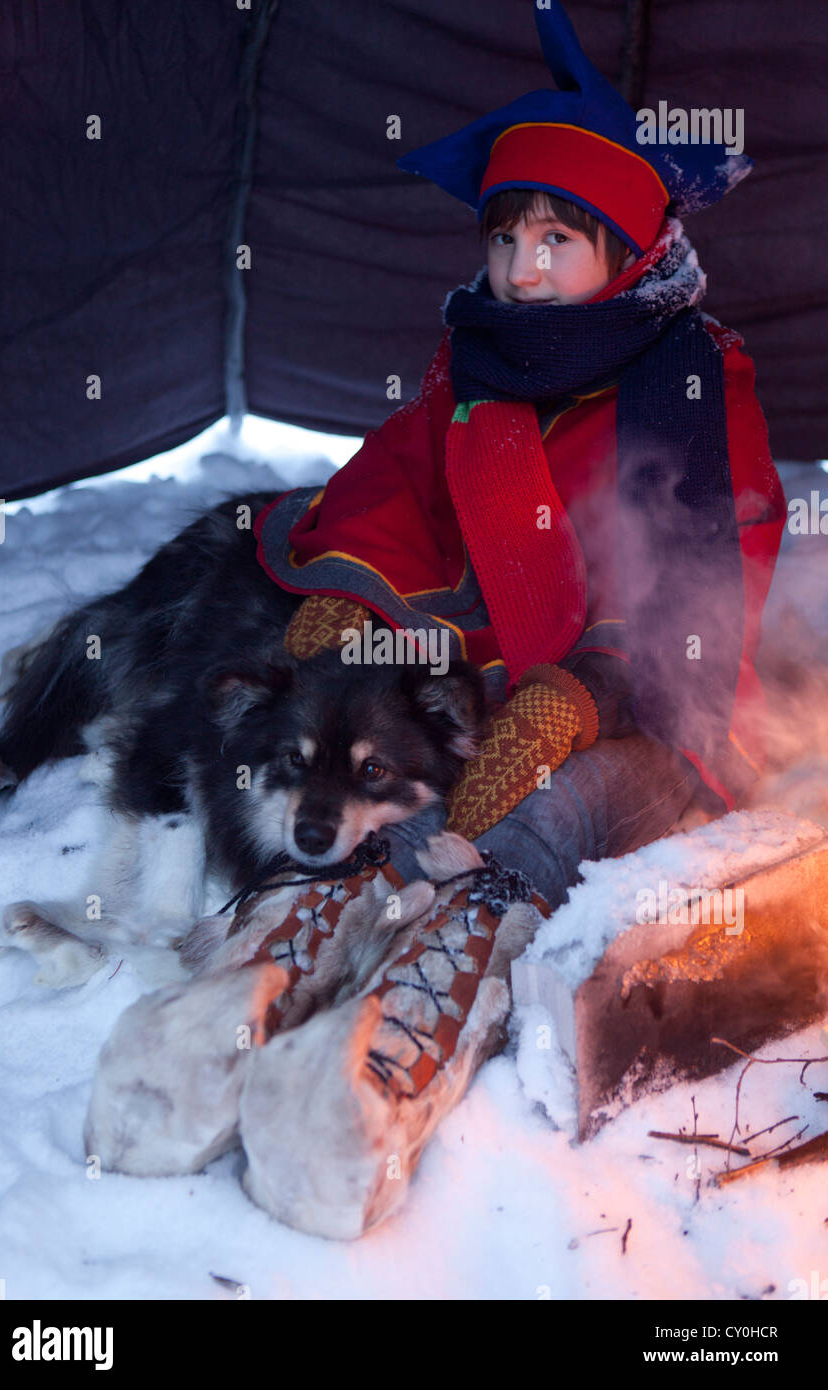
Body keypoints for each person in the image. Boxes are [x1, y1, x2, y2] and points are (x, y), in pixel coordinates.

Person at [227, 1, 786, 1236]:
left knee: (557, 803)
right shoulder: (474, 366)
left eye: (557, 238)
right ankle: (321, 923)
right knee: (378, 740)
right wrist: (347, 600)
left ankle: (439, 983)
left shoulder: (690, 380)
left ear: (624, 249)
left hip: (651, 701)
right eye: (507, 237)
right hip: (498, 659)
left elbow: (711, 574)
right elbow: (394, 493)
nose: (524, 268)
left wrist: (588, 690)